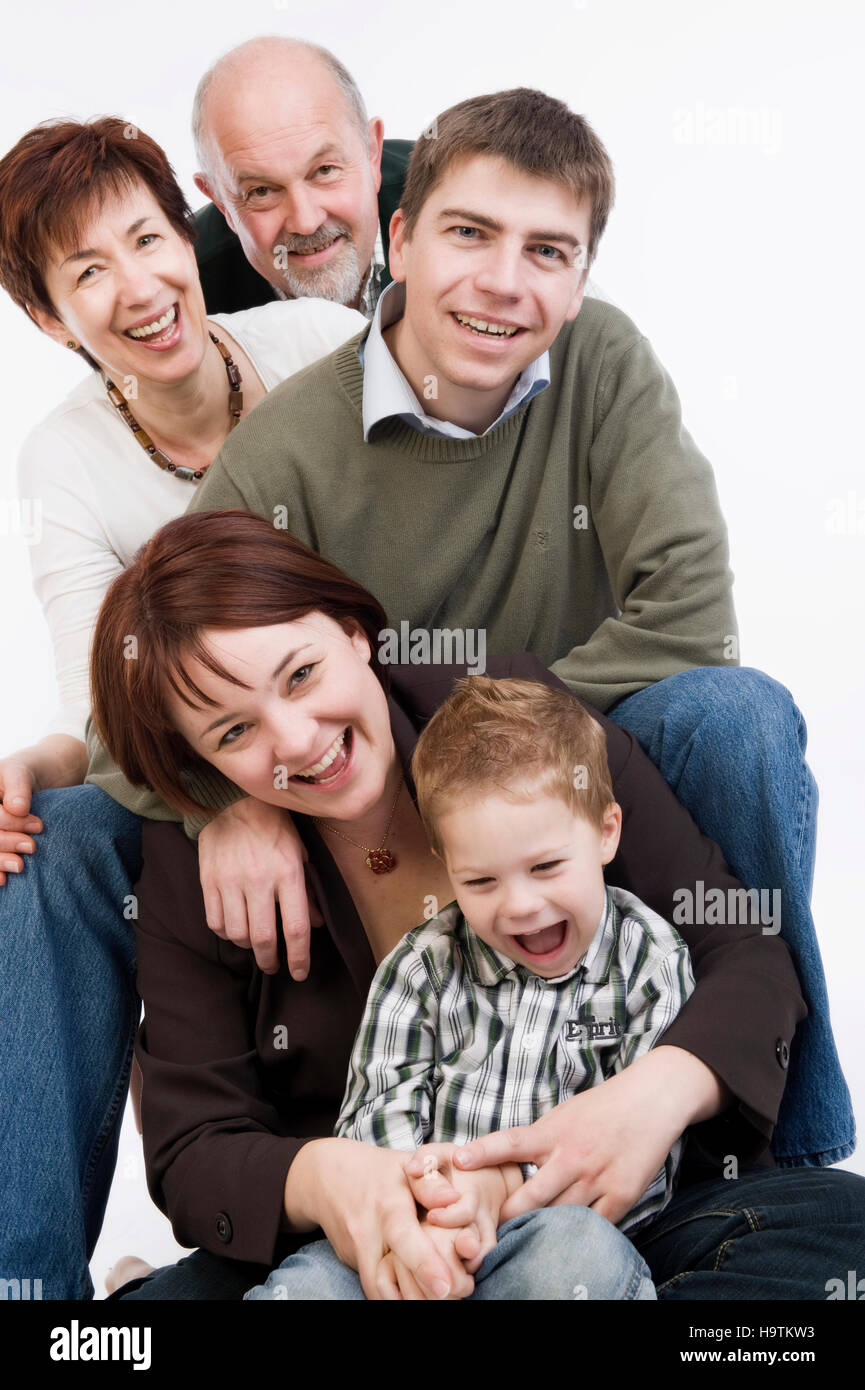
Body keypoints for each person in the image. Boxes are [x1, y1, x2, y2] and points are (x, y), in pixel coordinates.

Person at [88, 85, 853, 1170]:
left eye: (548, 251)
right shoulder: (289, 447)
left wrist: (484, 740)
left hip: (581, 773)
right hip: (363, 801)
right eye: (468, 234)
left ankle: (775, 1152)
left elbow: (688, 618)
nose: (502, 281)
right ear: (397, 239)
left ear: (581, 280)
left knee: (734, 714)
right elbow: (146, 708)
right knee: (70, 832)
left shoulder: (605, 365)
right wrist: (224, 803)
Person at [83, 514, 853, 1302]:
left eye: (301, 675)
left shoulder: (511, 719)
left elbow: (744, 950)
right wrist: (333, 1179)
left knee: (839, 1236)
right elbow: (193, 1147)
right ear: (200, 762)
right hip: (351, 1252)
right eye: (235, 731)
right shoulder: (195, 860)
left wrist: (650, 1095)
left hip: (609, 1222)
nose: (296, 739)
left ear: (354, 634)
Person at [0, 115, 365, 1300]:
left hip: (371, 732)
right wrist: (223, 807)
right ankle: (25, 1287)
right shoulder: (66, 459)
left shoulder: (320, 343)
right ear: (52, 319)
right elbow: (103, 714)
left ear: (187, 241)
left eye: (147, 241)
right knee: (51, 840)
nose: (135, 288)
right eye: (86, 273)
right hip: (202, 769)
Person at [244, 675, 694, 1300]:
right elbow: (377, 1112)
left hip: (551, 1233)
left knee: (582, 1260)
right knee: (311, 1286)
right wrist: (430, 1213)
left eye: (546, 866)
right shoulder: (424, 964)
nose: (520, 905)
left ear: (605, 831)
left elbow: (646, 1166)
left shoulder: (649, 959)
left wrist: (504, 1190)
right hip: (417, 1229)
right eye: (481, 881)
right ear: (445, 862)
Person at [189, 35, 413, 316]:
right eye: (261, 191)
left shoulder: (461, 201)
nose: (306, 223)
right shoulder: (188, 299)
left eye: (324, 170)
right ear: (221, 202)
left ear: (372, 153)